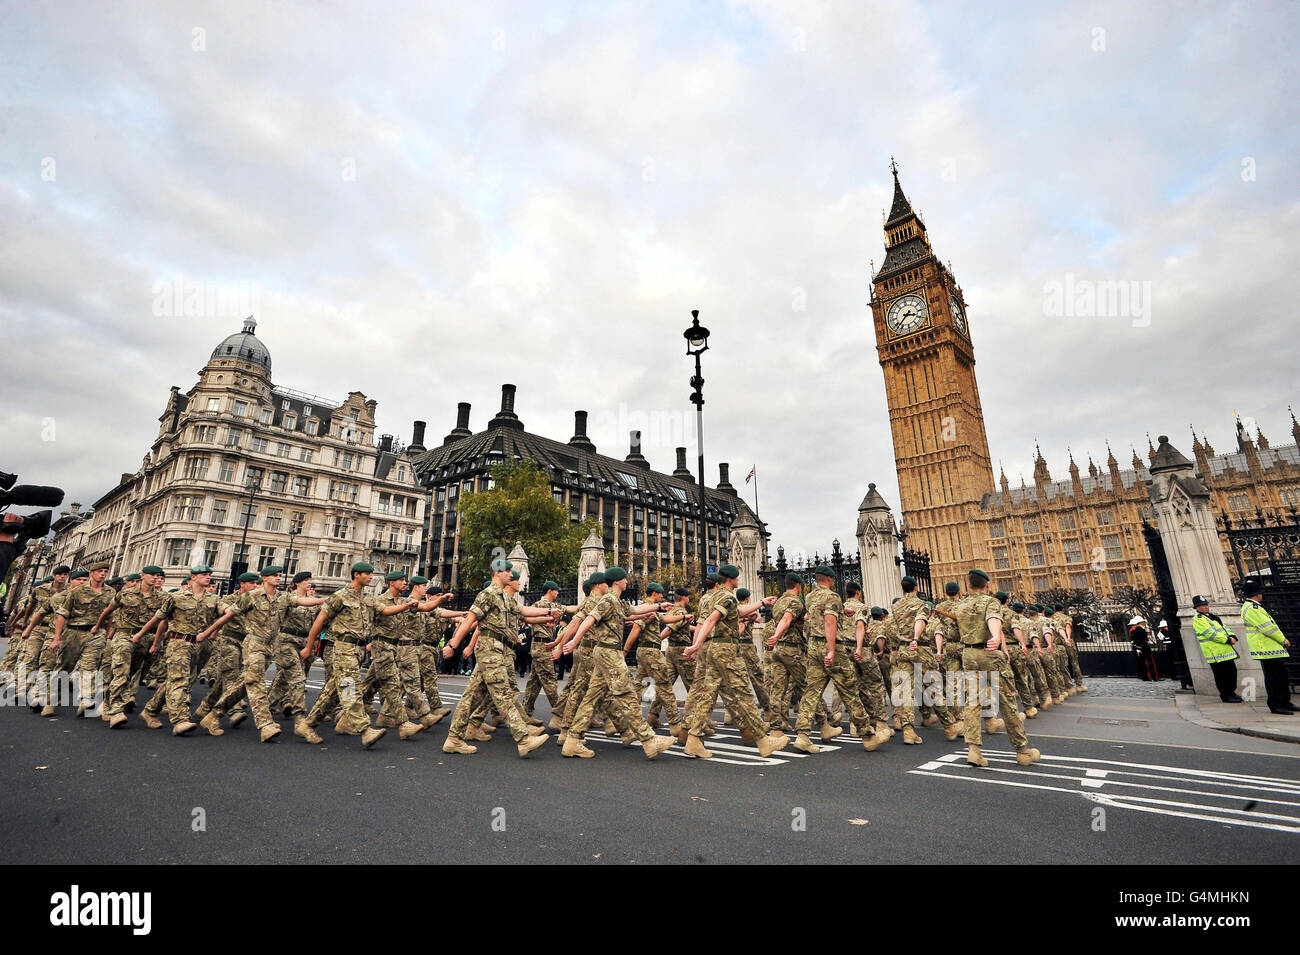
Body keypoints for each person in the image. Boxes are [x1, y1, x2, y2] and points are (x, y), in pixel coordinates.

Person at [441, 558, 556, 756]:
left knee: (471, 696)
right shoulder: (487, 594)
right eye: (508, 572)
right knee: (503, 693)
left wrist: (548, 611)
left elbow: (523, 611)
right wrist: (453, 643)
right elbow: (470, 619)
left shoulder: (503, 597)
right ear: (497, 573)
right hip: (489, 649)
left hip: (498, 649)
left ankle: (453, 738)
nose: (511, 575)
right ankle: (523, 738)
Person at [954, 568, 1040, 768]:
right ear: (987, 585)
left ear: (969, 585)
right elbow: (993, 619)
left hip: (968, 654)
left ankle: (974, 750)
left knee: (972, 703)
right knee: (1007, 702)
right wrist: (994, 636)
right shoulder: (990, 601)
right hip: (989, 654)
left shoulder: (961, 605)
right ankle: (1022, 750)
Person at [133, 565, 221, 736]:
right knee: (179, 681)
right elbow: (160, 619)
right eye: (204, 574)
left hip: (199, 646)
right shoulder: (176, 597)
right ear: (193, 577)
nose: (208, 577)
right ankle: (180, 720)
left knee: (180, 680)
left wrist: (210, 633)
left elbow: (227, 613)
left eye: (209, 574)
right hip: (178, 643)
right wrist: (143, 635)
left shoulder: (214, 600)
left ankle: (150, 711)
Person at [1240, 579, 1294, 714]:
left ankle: (1285, 702)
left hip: (1270, 648)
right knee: (1274, 678)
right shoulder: (1252, 608)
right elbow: (1268, 628)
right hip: (1266, 648)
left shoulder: (1252, 607)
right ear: (1257, 594)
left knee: (1281, 676)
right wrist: (1283, 640)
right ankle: (1276, 704)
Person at [1191, 594, 1242, 703]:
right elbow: (1211, 634)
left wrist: (1232, 636)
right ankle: (1226, 695)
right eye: (1202, 605)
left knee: (1231, 673)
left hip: (1225, 650)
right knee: (1221, 676)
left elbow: (1224, 628)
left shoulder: (1212, 617)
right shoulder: (1198, 619)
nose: (1205, 607)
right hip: (1215, 653)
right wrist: (1228, 640)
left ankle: (1231, 692)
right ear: (1196, 608)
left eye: (1206, 604)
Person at [1129, 616, 1159, 682]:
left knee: (1143, 663)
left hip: (1140, 647)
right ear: (1141, 622)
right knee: (1150, 662)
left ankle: (1146, 677)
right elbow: (1140, 640)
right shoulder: (1140, 630)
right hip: (1144, 647)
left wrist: (1138, 649)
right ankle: (1154, 677)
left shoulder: (1135, 630)